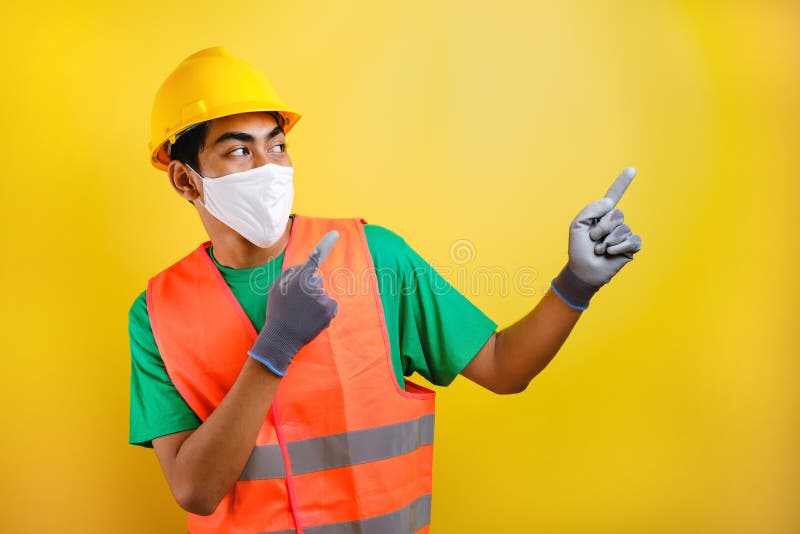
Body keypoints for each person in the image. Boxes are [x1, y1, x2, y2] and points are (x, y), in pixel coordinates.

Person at [128, 46, 642, 533]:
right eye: (240, 150)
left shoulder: (374, 258)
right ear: (186, 180)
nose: (269, 167)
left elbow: (503, 367)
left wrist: (576, 283)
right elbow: (195, 490)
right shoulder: (158, 313)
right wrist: (275, 346)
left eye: (277, 146)